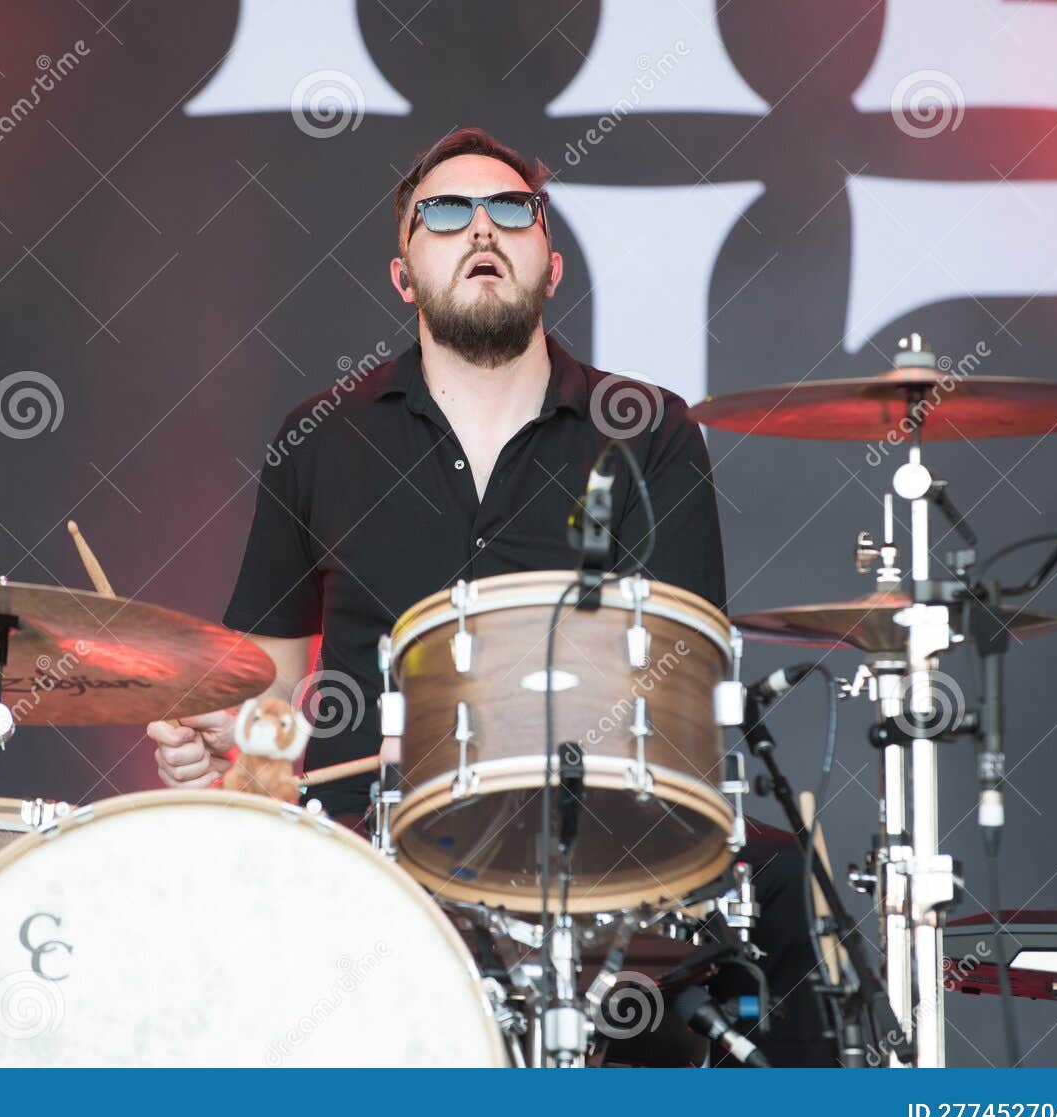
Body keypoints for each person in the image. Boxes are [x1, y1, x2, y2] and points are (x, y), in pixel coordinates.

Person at [147, 127, 833, 1065]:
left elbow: (678, 681)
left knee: (781, 868)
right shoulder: (320, 439)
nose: (483, 229)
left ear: (549, 264)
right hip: (364, 845)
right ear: (404, 273)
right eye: (446, 213)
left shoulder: (645, 433)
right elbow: (259, 694)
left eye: (513, 211)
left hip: (593, 838)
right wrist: (227, 742)